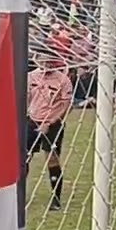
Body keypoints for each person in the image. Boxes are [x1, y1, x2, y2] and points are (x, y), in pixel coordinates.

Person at [27, 54, 73, 211]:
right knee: (24, 157)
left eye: (49, 59)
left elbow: (66, 104)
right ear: (36, 59)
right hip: (32, 120)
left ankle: (56, 198)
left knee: (52, 159)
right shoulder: (30, 77)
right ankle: (18, 196)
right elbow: (25, 98)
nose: (45, 63)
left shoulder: (63, 80)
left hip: (53, 124)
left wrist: (50, 121)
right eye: (42, 59)